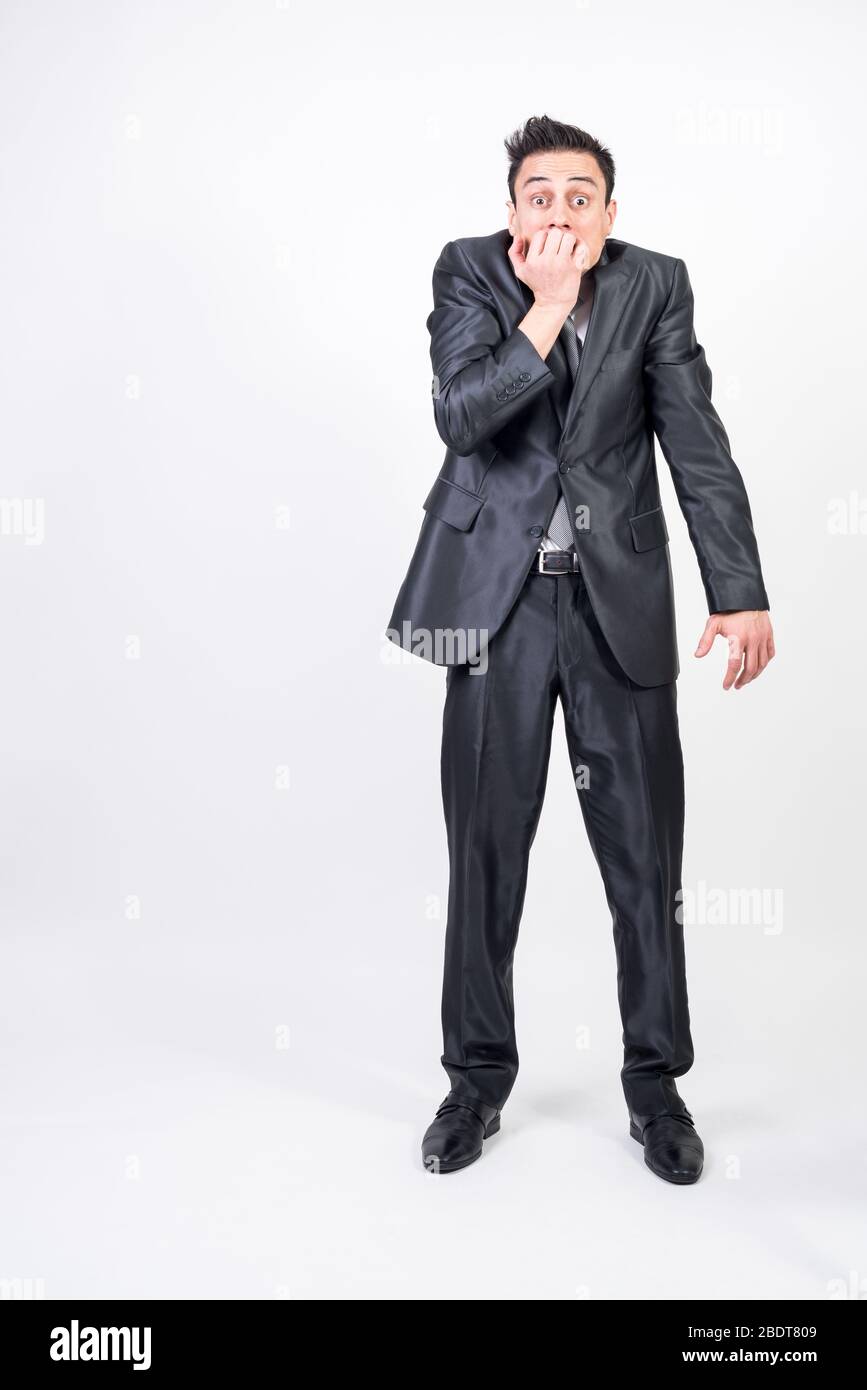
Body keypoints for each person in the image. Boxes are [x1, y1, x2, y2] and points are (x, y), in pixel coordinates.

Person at [385, 115, 774, 1184]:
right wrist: (547, 311)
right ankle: (475, 1081)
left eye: (581, 195)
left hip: (618, 606)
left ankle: (656, 1088)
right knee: (485, 856)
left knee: (646, 860)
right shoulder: (468, 273)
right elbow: (462, 418)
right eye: (539, 193)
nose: (559, 210)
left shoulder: (656, 285)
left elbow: (696, 443)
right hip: (494, 610)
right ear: (513, 210)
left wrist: (737, 591)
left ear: (611, 213)